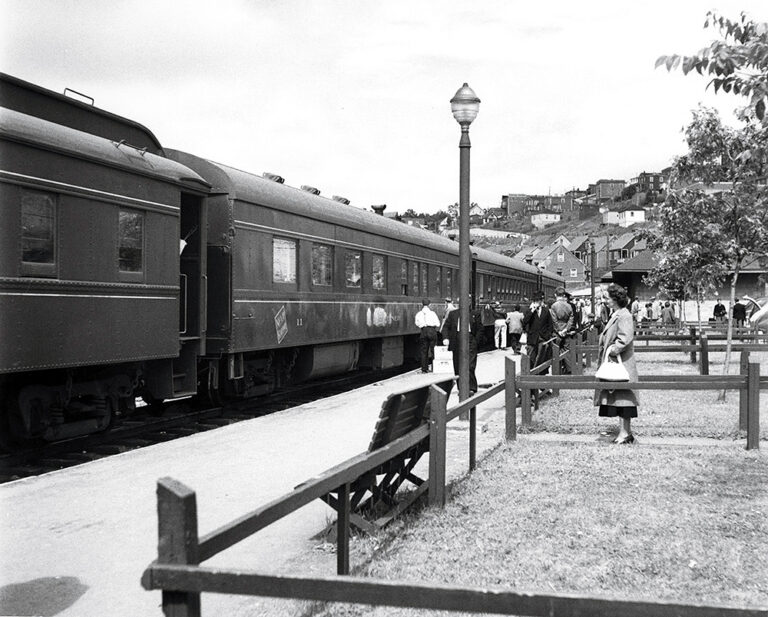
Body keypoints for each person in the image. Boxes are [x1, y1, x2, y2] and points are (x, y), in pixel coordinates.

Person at [594, 283, 639, 445]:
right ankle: (625, 432)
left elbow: (625, 338)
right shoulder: (617, 314)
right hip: (618, 363)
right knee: (620, 400)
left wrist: (614, 349)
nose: (604, 301)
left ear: (616, 299)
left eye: (607, 298)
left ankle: (625, 433)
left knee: (624, 400)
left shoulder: (624, 315)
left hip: (622, 364)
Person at [440, 297, 483, 396]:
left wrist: (475, 341)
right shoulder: (453, 314)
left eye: (468, 301)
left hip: (470, 339)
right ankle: (461, 388)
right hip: (456, 340)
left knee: (470, 365)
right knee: (457, 365)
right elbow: (446, 327)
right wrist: (445, 338)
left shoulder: (475, 314)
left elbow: (480, 329)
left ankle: (471, 387)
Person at [522, 290, 554, 370]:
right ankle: (531, 371)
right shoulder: (529, 311)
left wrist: (548, 334)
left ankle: (538, 372)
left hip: (543, 337)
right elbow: (524, 322)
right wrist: (532, 311)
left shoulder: (546, 310)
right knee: (531, 357)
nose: (538, 302)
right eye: (536, 301)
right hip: (532, 338)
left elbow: (550, 324)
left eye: (539, 300)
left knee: (541, 356)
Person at [550, 287, 574, 373]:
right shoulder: (569, 306)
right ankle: (569, 370)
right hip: (566, 332)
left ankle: (558, 371)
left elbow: (554, 320)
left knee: (556, 351)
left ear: (555, 295)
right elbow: (571, 319)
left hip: (557, 333)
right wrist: (566, 329)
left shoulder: (554, 306)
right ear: (564, 295)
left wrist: (559, 331)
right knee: (567, 351)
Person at [415, 298, 440, 373]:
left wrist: (422, 325)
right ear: (429, 305)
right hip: (432, 331)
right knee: (433, 350)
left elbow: (417, 323)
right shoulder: (432, 313)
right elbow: (438, 324)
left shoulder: (419, 314)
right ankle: (434, 368)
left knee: (424, 351)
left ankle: (424, 369)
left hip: (423, 331)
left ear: (422, 304)